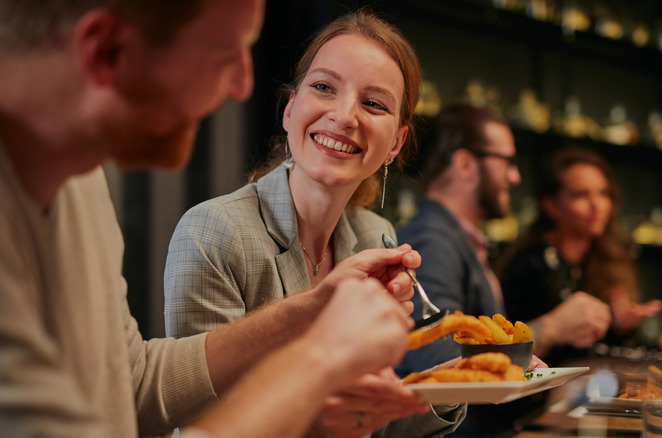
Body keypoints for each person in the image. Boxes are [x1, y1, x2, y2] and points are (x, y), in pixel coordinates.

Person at [0, 1, 426, 437]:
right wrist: (315, 369)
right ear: (106, 50)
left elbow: (133, 386)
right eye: (224, 54)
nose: (242, 85)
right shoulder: (213, 228)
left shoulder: (82, 181)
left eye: (373, 103)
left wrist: (313, 309)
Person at [163, 10, 465, 438]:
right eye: (324, 87)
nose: (344, 116)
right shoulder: (213, 232)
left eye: (373, 104)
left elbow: (367, 423)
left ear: (395, 143)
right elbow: (207, 423)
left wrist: (453, 383)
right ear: (290, 109)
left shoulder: (373, 237)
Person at [394, 103, 542, 437]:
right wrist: (551, 328)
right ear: (464, 164)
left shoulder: (455, 237)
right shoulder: (432, 239)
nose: (515, 176)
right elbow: (434, 355)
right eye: (506, 162)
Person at [498, 146, 662, 367]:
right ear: (551, 205)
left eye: (603, 193)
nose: (597, 205)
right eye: (580, 194)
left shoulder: (609, 257)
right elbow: (507, 350)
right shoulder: (530, 263)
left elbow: (597, 350)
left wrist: (621, 327)